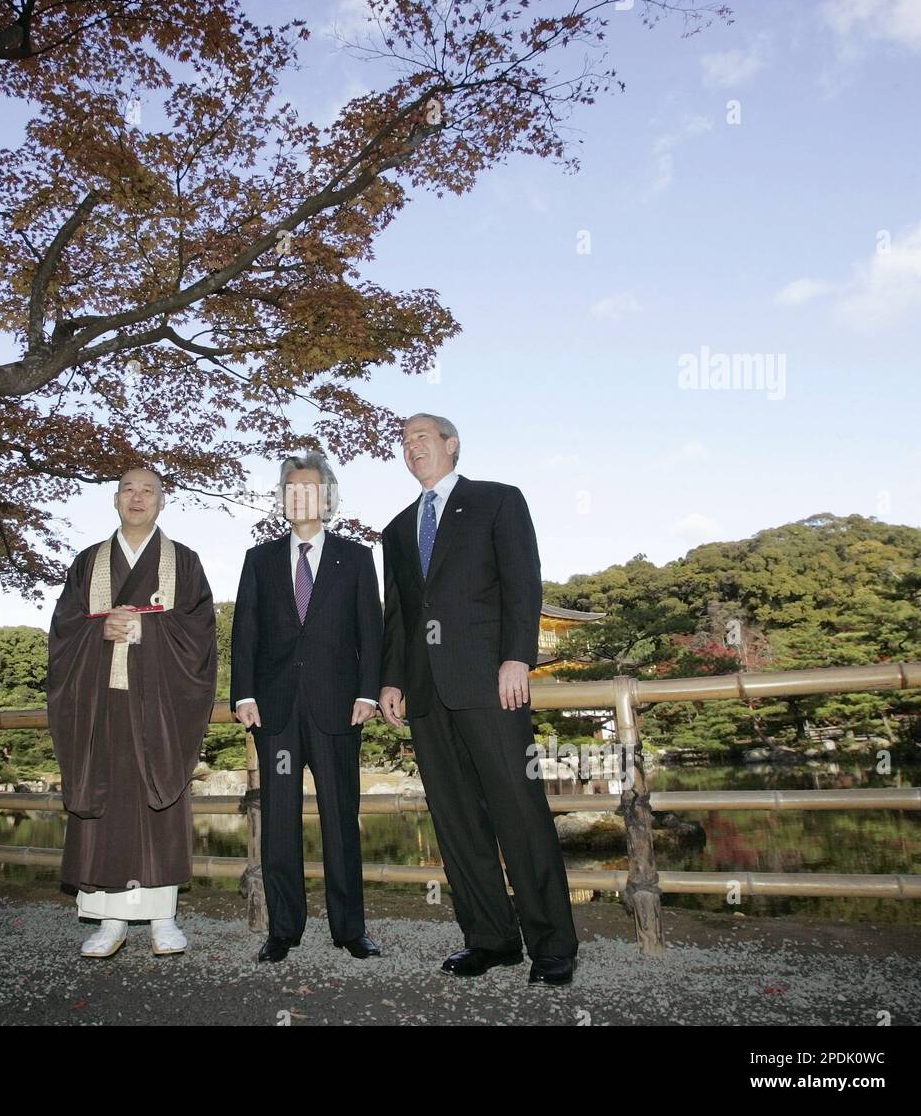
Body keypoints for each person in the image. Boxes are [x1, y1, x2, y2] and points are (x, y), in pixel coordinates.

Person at [378, 414, 579, 986]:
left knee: (519, 811)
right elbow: (399, 617)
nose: (412, 447)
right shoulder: (396, 530)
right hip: (425, 693)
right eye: (405, 441)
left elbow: (524, 581)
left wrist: (518, 656)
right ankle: (490, 939)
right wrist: (392, 680)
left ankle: (551, 945)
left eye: (422, 437)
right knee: (457, 821)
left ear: (451, 445)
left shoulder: (497, 501)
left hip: (490, 683)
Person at [46, 467, 217, 959]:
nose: (138, 498)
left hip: (159, 705)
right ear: (114, 499)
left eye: (149, 491)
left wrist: (148, 632)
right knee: (105, 804)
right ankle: (109, 919)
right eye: (128, 489)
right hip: (100, 707)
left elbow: (201, 633)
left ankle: (163, 918)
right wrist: (97, 633)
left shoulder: (183, 562)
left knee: (155, 802)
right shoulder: (87, 564)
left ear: (163, 502)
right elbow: (62, 634)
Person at [231, 452, 383, 961]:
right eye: (291, 488)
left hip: (339, 709)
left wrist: (367, 692)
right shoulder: (259, 559)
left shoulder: (357, 558)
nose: (300, 496)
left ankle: (349, 929)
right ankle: (284, 930)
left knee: (342, 818)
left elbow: (371, 632)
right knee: (279, 822)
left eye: (310, 488)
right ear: (282, 499)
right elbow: (245, 631)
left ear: (327, 497)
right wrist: (243, 693)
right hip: (274, 711)